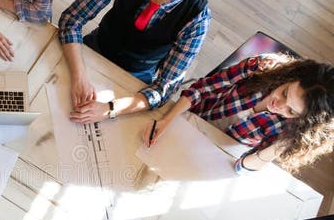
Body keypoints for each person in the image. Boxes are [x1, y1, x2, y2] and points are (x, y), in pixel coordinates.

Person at [59, 0, 213, 124]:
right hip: (95, 48)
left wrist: (110, 109)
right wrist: (79, 77)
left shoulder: (197, 19)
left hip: (137, 76)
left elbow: (164, 88)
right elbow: (72, 19)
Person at [142, 55, 334, 173]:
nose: (278, 105)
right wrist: (167, 119)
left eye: (291, 111)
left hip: (213, 157)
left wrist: (281, 146)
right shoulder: (261, 68)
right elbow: (202, 89)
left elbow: (242, 168)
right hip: (189, 120)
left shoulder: (294, 132)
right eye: (284, 93)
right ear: (291, 77)